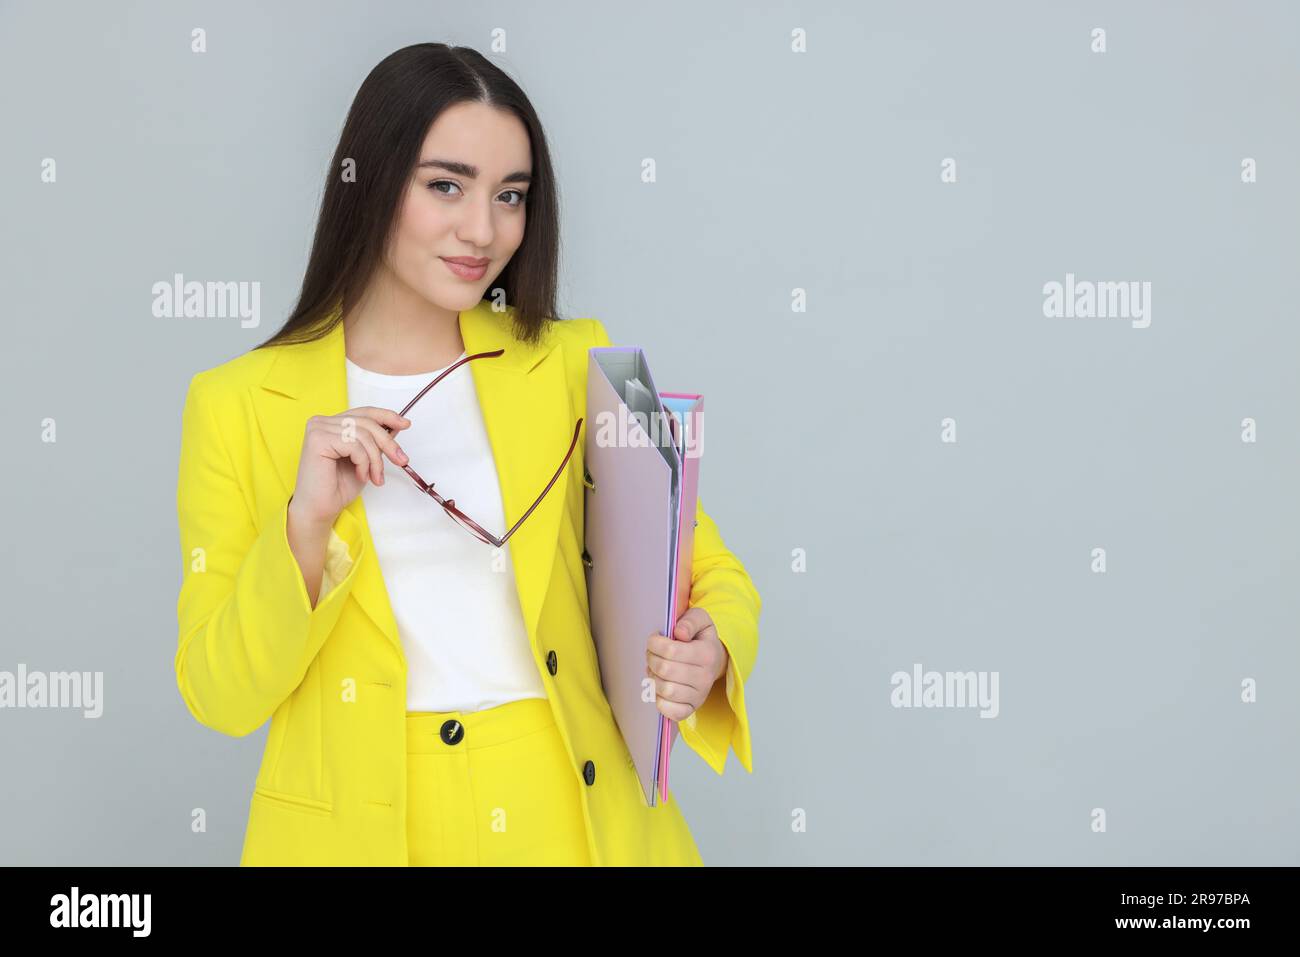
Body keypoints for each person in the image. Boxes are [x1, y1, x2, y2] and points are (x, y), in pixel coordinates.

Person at [174, 42, 761, 866]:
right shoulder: (235, 404)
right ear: (371, 180)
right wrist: (305, 525)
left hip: (568, 804)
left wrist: (712, 643)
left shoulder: (578, 362)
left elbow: (711, 572)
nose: (483, 230)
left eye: (510, 196)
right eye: (445, 185)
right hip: (362, 828)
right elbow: (219, 691)